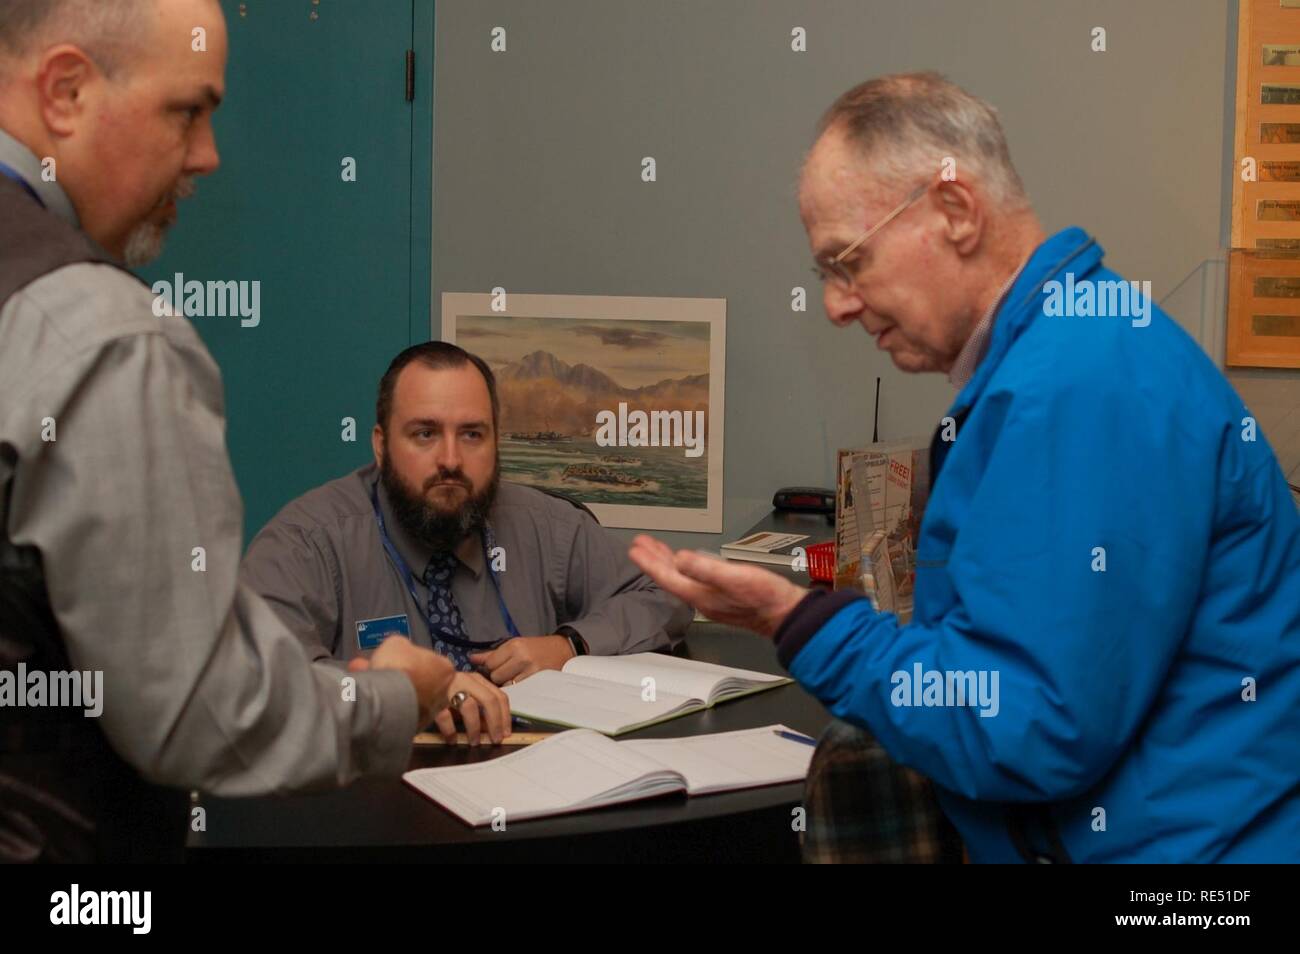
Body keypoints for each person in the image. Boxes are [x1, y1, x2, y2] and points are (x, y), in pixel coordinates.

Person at [630, 72, 1300, 863]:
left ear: (954, 212)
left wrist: (802, 623)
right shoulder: (1068, 355)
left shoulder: (1077, 384)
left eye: (847, 260)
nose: (837, 304)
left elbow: (1024, 727)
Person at [0, 0, 506, 863]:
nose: (207, 155)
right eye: (187, 111)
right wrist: (393, 700)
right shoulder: (101, 332)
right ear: (67, 91)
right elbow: (198, 711)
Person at [240, 341, 693, 741]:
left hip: (530, 793)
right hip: (376, 807)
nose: (451, 460)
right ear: (380, 446)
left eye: (472, 434)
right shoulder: (310, 539)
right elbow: (255, 674)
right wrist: (398, 691)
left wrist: (571, 646)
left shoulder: (543, 525)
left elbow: (667, 590)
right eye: (425, 434)